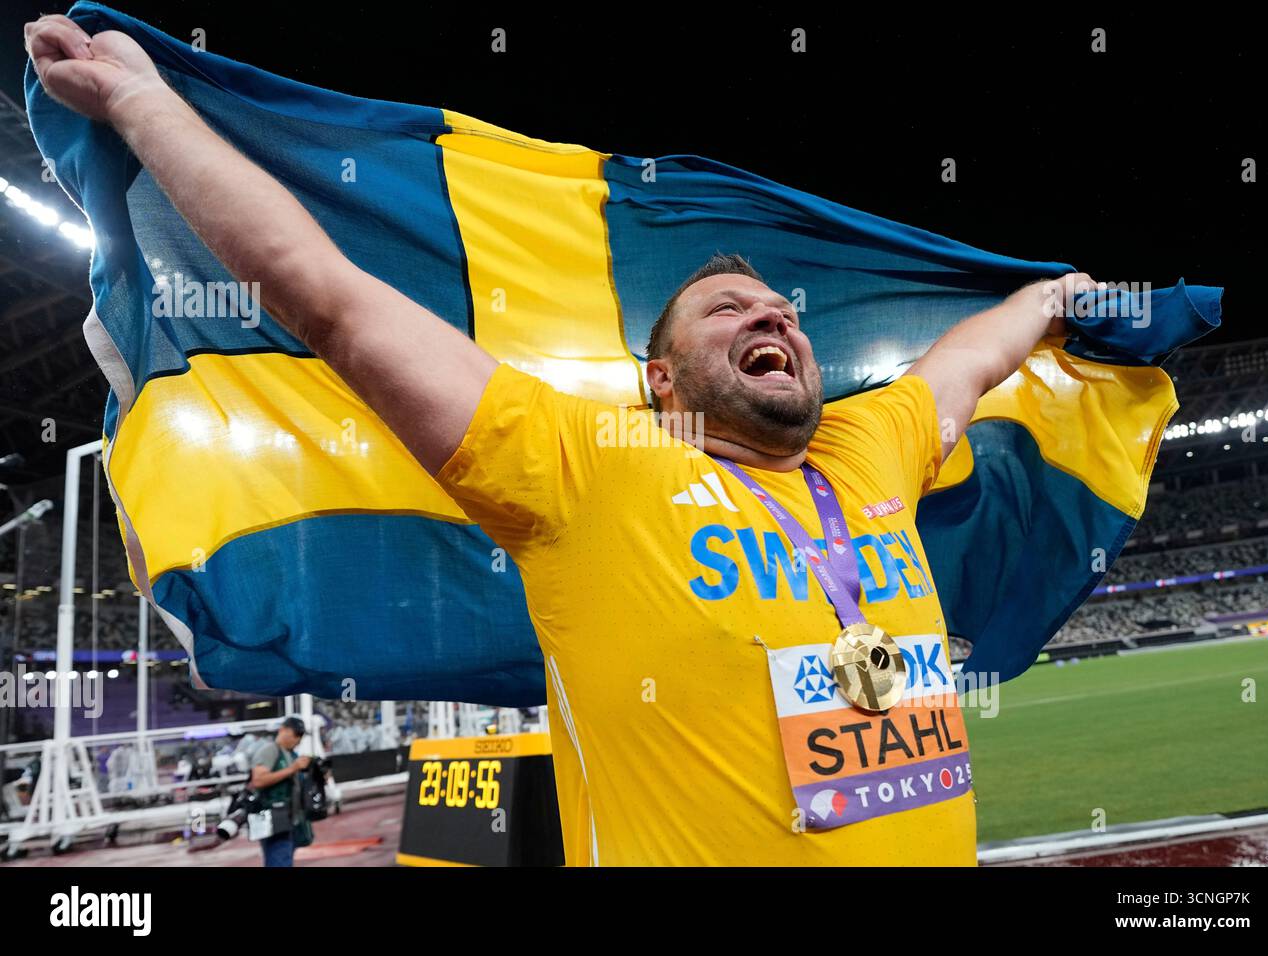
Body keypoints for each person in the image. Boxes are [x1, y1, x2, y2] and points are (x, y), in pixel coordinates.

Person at [25, 16, 1099, 865]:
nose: (772, 316)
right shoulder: (585, 465)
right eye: (730, 309)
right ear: (661, 380)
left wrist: (1060, 295)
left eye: (781, 308)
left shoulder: (871, 444)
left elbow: (970, 358)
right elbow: (333, 302)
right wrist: (141, 102)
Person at [249, 717, 311, 867]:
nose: (299, 739)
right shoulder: (270, 750)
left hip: (289, 816)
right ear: (283, 730)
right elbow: (258, 780)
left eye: (301, 735)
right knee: (279, 859)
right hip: (273, 816)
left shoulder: (291, 754)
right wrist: (293, 769)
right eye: (296, 734)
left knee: (284, 857)